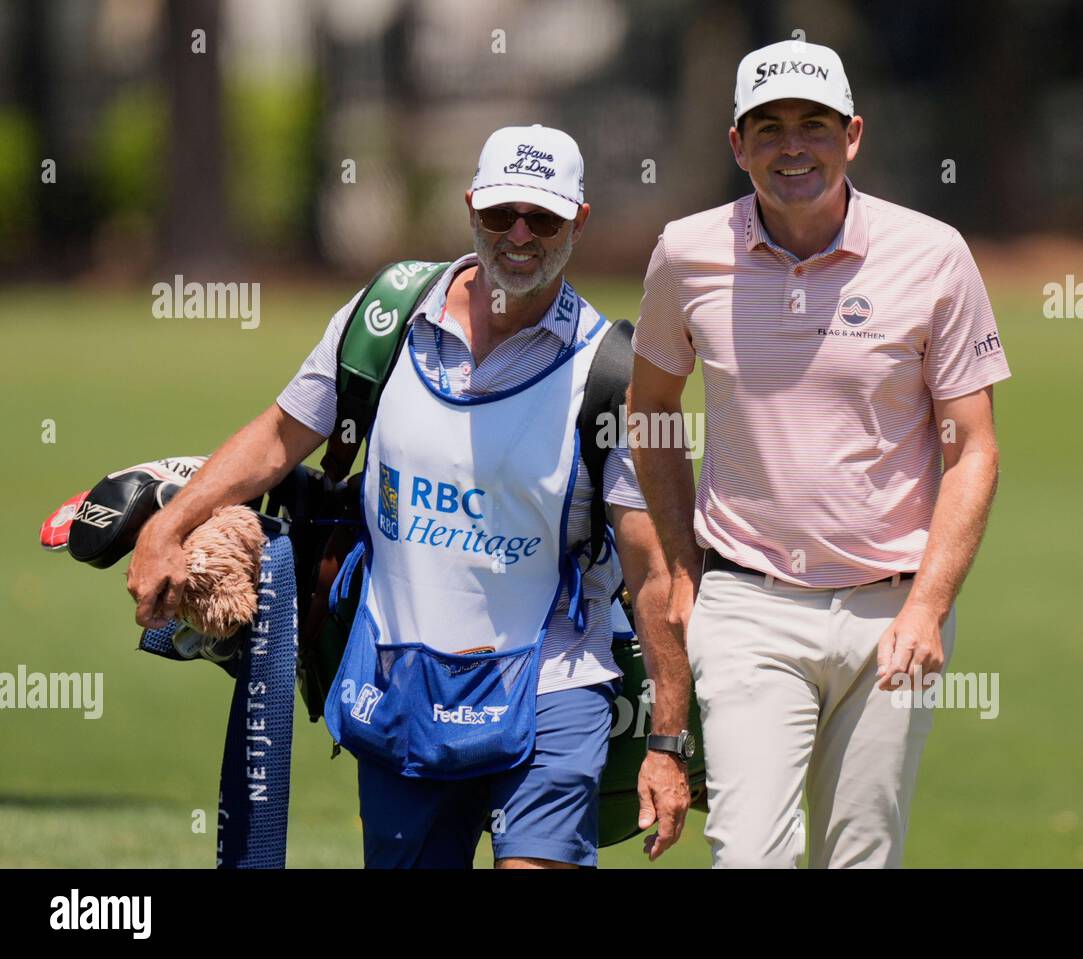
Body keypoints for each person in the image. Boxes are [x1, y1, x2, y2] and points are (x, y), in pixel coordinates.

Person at [127, 124, 692, 869]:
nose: (519, 235)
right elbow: (276, 437)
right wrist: (169, 525)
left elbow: (654, 567)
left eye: (543, 218)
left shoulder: (610, 371)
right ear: (470, 209)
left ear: (578, 222)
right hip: (400, 681)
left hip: (554, 683)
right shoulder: (387, 315)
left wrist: (668, 740)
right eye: (501, 214)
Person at [627, 41, 1012, 868]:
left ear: (853, 135)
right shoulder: (687, 254)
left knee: (861, 855)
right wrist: (687, 572)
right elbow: (651, 410)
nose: (791, 146)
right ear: (737, 143)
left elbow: (974, 446)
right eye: (767, 128)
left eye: (813, 125)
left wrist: (930, 604)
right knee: (749, 855)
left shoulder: (933, 254)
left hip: (891, 611)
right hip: (748, 605)